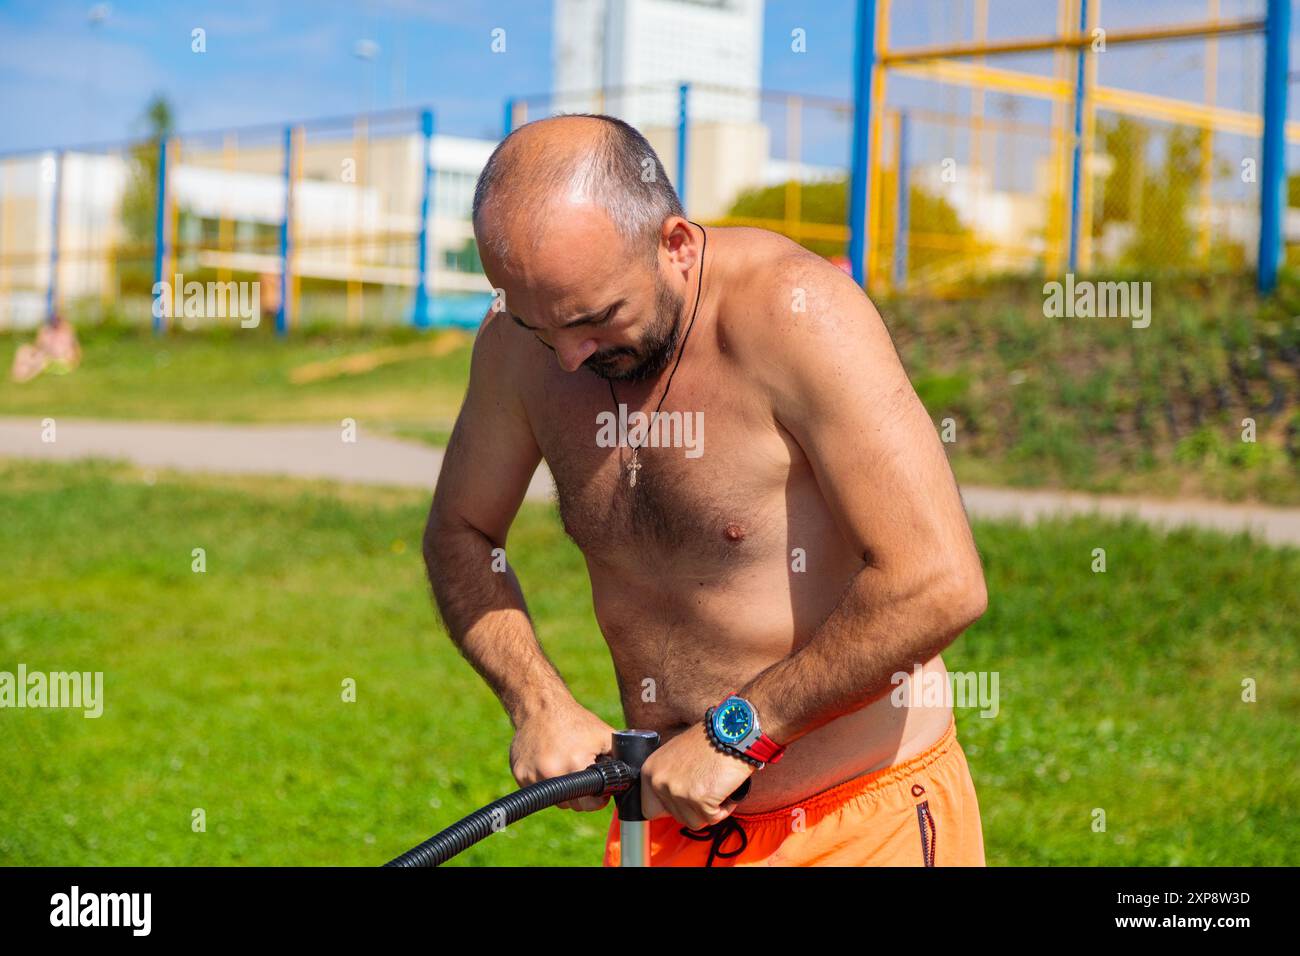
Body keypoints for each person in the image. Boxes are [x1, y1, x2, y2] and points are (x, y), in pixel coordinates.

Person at [423, 114, 988, 866]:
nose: (567, 358)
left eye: (596, 318)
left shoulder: (796, 313)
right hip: (666, 828)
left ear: (677, 244)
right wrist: (537, 702)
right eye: (538, 327)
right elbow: (459, 530)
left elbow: (937, 583)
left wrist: (746, 728)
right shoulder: (515, 350)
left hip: (855, 821)